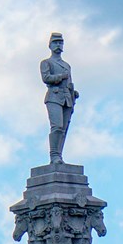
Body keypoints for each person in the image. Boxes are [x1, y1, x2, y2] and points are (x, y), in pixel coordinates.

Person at [40, 32, 78, 163]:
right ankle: (54, 155)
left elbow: (69, 82)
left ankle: (59, 155)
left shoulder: (67, 65)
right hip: (54, 96)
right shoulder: (46, 62)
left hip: (67, 98)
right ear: (50, 45)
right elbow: (46, 78)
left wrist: (73, 92)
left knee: (63, 129)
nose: (58, 45)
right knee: (57, 126)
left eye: (60, 42)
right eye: (55, 42)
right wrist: (60, 77)